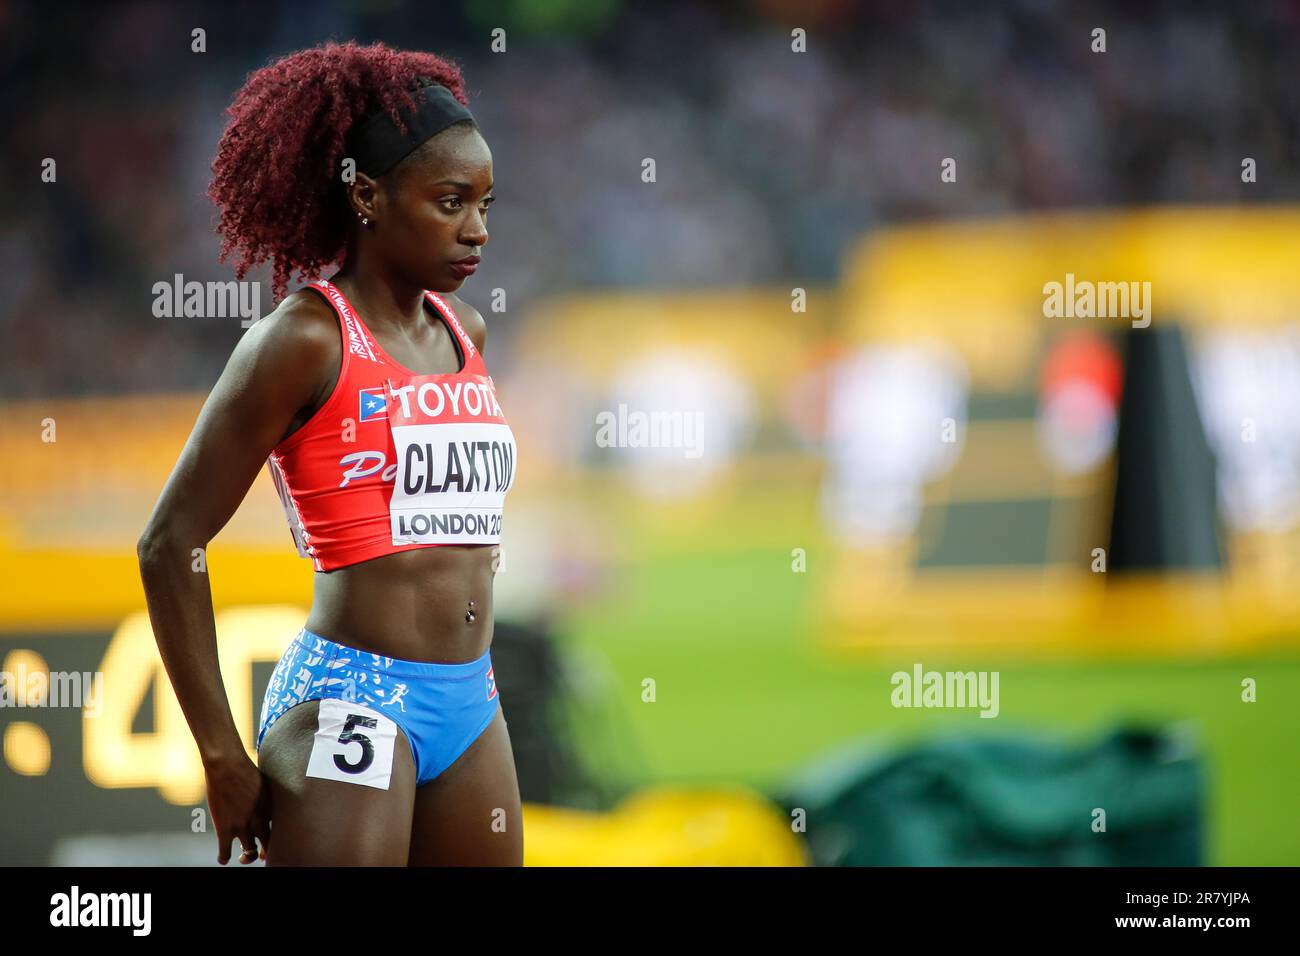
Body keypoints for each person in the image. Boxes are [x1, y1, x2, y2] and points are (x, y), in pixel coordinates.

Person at [136, 41, 522, 866]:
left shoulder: (466, 332)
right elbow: (169, 544)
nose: (478, 230)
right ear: (369, 196)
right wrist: (219, 753)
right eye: (451, 202)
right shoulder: (303, 340)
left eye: (488, 203)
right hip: (355, 699)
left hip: (472, 700)